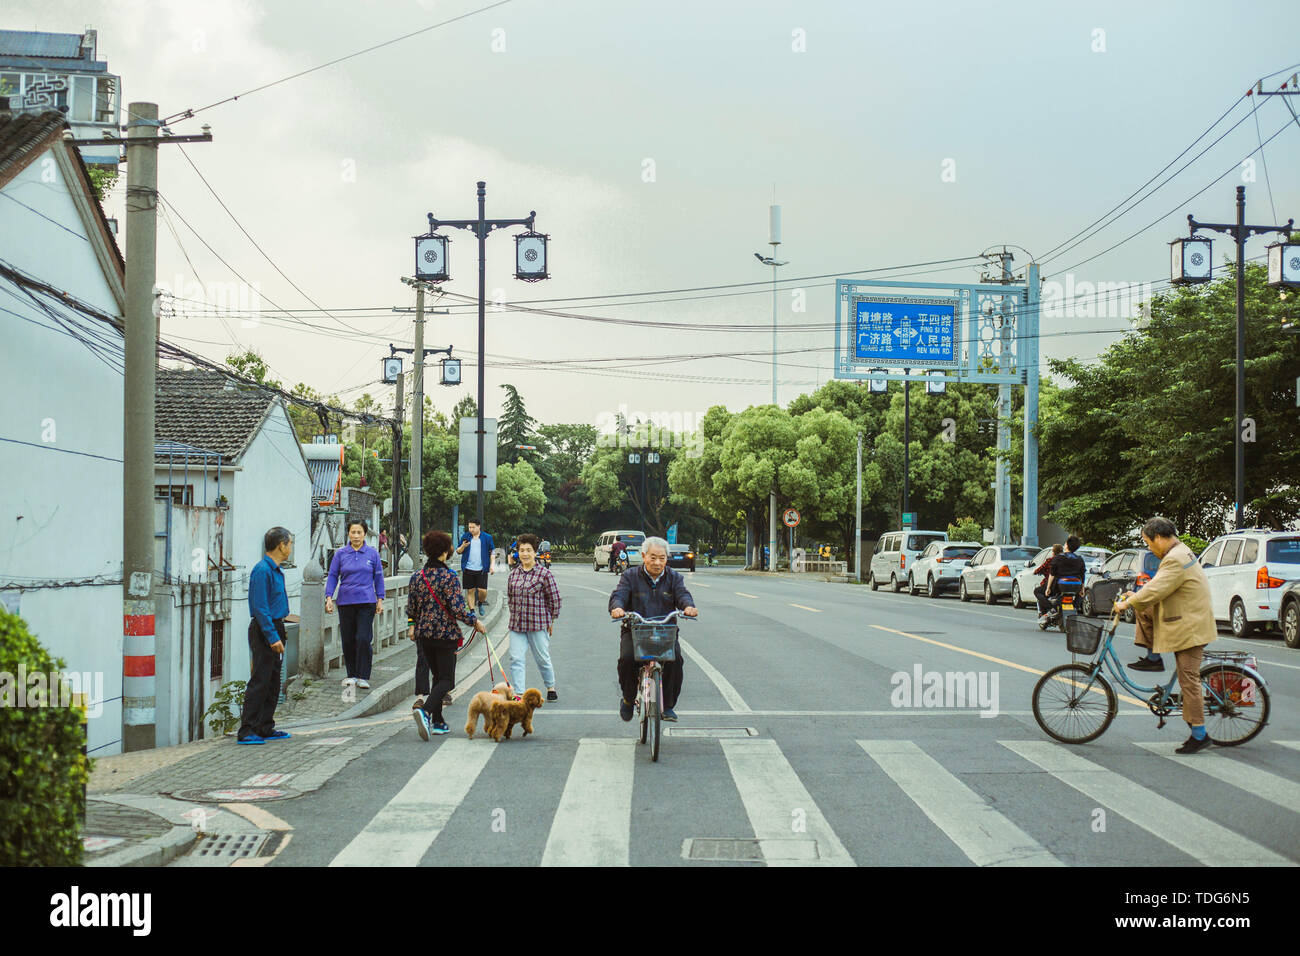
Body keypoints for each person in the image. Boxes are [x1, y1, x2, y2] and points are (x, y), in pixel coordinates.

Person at [1114, 517, 1217, 754]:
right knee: (1143, 607)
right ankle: (1153, 658)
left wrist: (1127, 603)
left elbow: (1158, 588)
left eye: (1148, 543)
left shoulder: (1175, 559)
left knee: (1188, 680)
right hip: (1187, 617)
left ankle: (1199, 734)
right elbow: (1158, 585)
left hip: (1191, 627)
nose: (1149, 547)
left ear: (1159, 538)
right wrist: (1135, 598)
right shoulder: (1179, 552)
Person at [609, 536, 698, 722]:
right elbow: (619, 595)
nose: (657, 562)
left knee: (676, 661)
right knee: (626, 660)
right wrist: (617, 608)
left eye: (662, 558)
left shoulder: (674, 577)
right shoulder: (630, 576)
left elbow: (683, 595)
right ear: (643, 556)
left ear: (667, 558)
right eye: (653, 557)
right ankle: (628, 699)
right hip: (635, 629)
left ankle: (668, 706)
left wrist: (688, 607)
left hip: (665, 630)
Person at [409, 529, 487, 738]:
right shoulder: (449, 577)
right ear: (444, 551)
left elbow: (412, 608)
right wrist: (475, 622)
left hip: (424, 635)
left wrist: (413, 626)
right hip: (445, 636)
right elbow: (458, 608)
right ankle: (425, 712)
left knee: (437, 677)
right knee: (447, 681)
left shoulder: (417, 576)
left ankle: (438, 722)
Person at [238, 527, 296, 744]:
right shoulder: (262, 570)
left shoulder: (276, 570)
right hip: (265, 629)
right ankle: (247, 729)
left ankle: (265, 725)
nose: (290, 548)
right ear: (281, 545)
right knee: (260, 679)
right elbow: (260, 607)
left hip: (277, 626)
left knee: (273, 680)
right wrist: (272, 637)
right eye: (289, 543)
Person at [325, 519, 385, 691]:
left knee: (363, 638)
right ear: (348, 534)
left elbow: (378, 578)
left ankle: (363, 675)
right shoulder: (340, 554)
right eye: (353, 532)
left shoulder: (372, 554)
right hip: (345, 601)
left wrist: (380, 599)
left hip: (366, 602)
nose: (356, 536)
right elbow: (332, 576)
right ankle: (351, 674)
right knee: (348, 639)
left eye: (359, 532)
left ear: (365, 534)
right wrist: (329, 597)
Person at [506, 533, 562, 702]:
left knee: (542, 658)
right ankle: (519, 693)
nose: (525, 554)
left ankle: (550, 686)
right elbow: (510, 598)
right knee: (516, 658)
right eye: (522, 550)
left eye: (528, 550)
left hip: (538, 624)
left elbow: (555, 599)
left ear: (535, 552)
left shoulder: (544, 574)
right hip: (516, 625)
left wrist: (551, 620)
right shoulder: (513, 575)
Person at [1039, 536, 1086, 625]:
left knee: (1037, 591)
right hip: (1075, 587)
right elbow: (1082, 575)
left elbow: (1052, 574)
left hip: (1059, 587)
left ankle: (1051, 609)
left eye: (1065, 543)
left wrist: (1048, 588)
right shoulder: (1080, 559)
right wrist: (1082, 588)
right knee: (1079, 597)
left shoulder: (1058, 558)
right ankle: (1074, 607)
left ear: (1067, 545)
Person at [456, 519, 494, 616]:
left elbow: (492, 552)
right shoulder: (466, 536)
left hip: (482, 569)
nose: (471, 529)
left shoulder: (487, 537)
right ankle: (472, 611)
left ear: (479, 526)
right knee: (470, 591)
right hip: (468, 568)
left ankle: (480, 602)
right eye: (469, 527)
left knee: (482, 591)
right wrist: (463, 546)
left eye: (473, 527)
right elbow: (458, 551)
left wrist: (492, 565)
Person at [1032, 543, 1064, 618]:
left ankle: (1051, 609)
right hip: (1063, 585)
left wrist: (1035, 572)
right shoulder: (1065, 560)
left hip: (1054, 584)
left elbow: (1049, 573)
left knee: (1037, 591)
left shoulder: (1051, 560)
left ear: (1053, 552)